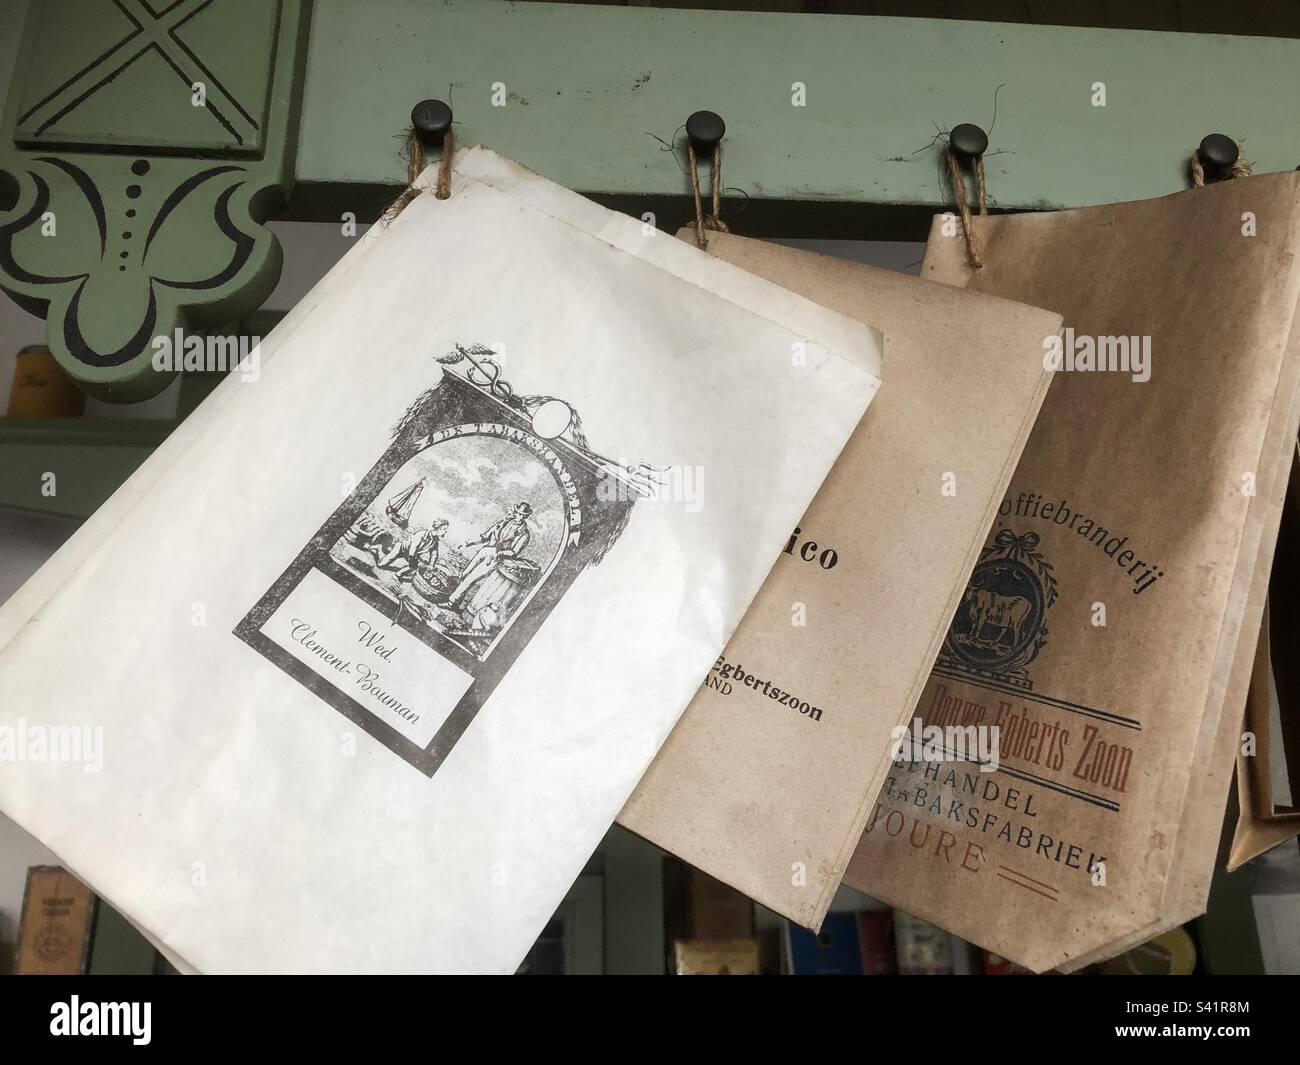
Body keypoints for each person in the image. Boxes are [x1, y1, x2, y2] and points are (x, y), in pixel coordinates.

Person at [448, 502, 532, 607]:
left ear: (524, 516)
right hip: (486, 550)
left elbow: (513, 552)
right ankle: (454, 597)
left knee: (472, 577)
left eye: (520, 514)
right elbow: (485, 536)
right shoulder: (504, 522)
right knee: (464, 573)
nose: (516, 515)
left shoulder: (524, 535)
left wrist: (499, 553)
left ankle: (452, 601)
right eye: (516, 512)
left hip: (497, 557)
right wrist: (469, 543)